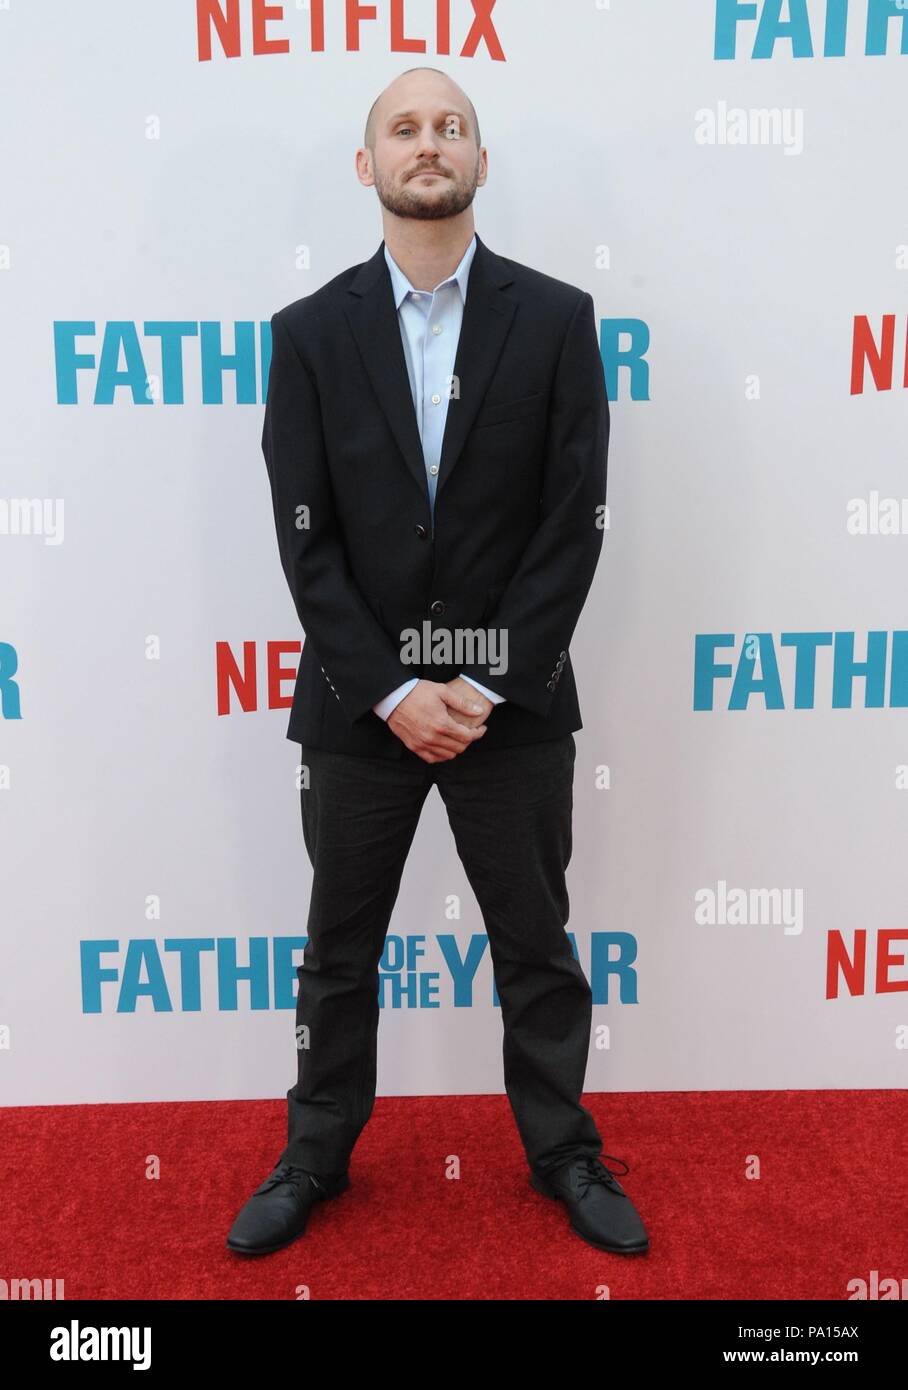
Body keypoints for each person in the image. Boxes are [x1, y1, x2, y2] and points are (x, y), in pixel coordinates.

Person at [227, 66, 648, 1259]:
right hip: (360, 709)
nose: (429, 142)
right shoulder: (308, 335)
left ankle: (563, 1150)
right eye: (403, 129)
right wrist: (396, 688)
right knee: (336, 952)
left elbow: (573, 522)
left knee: (536, 944)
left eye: (449, 126)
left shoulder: (557, 318)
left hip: (506, 704)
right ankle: (314, 1155)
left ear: (477, 160)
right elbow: (303, 538)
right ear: (368, 166)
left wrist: (482, 679)